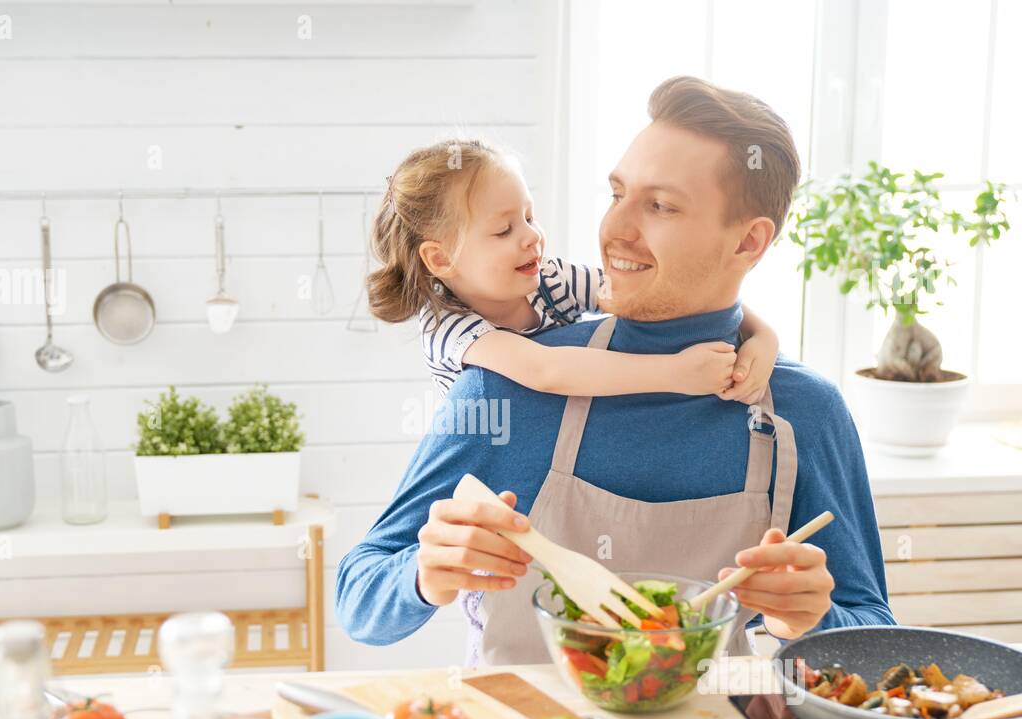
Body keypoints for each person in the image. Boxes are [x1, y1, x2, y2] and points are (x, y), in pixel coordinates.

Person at [337, 76, 896, 666]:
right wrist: (424, 573)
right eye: (616, 195)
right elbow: (359, 600)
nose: (614, 231)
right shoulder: (506, 384)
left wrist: (810, 618)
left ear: (749, 243)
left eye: (659, 206)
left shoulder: (803, 408)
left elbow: (877, 640)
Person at [368, 138, 778, 402]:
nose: (531, 237)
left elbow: (650, 291)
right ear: (441, 260)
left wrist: (761, 334)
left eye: (529, 216)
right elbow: (546, 371)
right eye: (503, 230)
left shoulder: (550, 278)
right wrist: (677, 373)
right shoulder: (447, 327)